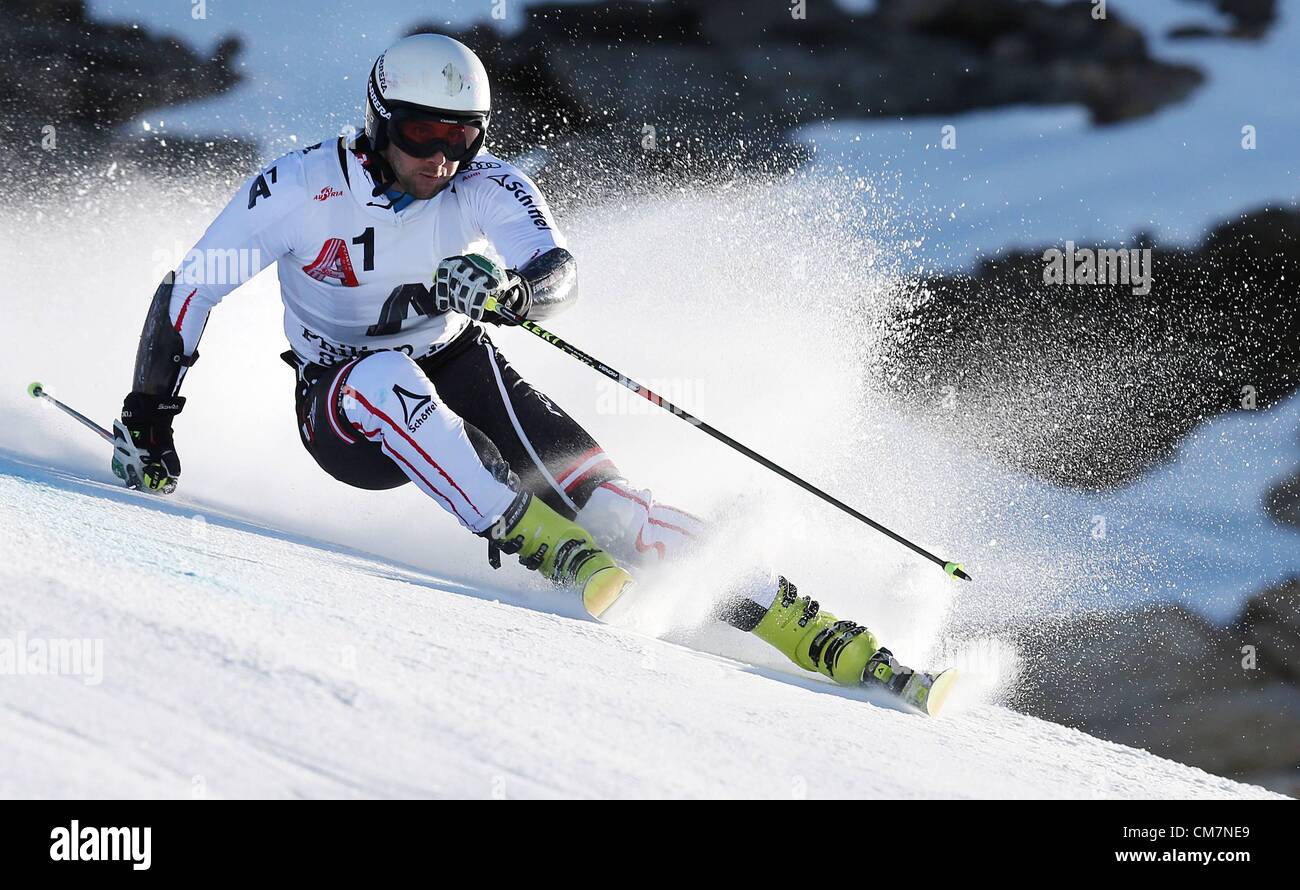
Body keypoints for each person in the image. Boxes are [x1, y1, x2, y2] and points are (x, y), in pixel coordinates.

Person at [112, 33, 948, 711]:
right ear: (377, 120)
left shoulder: (486, 186)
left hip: (455, 360)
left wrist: (513, 291)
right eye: (421, 134)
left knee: (617, 506)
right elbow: (189, 289)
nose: (441, 157)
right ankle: (548, 548)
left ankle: (824, 636)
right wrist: (150, 416)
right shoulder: (297, 187)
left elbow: (558, 272)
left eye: (461, 136)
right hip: (338, 400)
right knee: (377, 382)